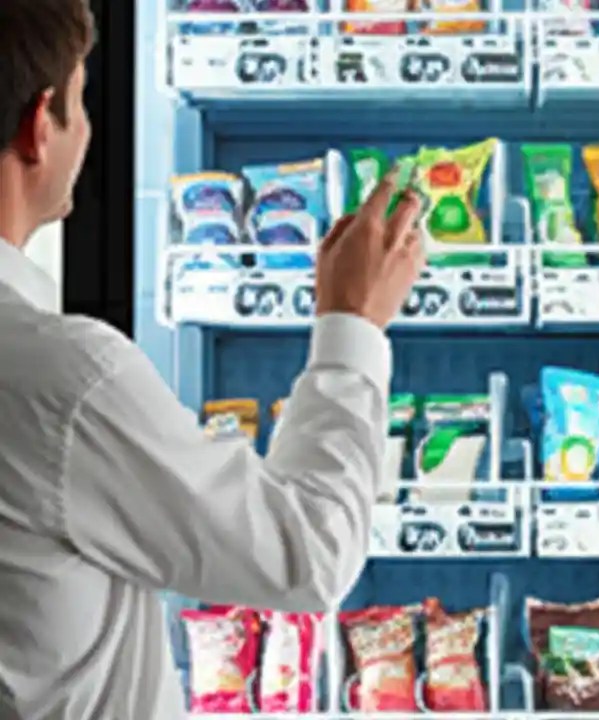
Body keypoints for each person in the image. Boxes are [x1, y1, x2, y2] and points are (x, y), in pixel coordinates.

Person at [0, 2, 424, 717]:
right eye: (83, 100)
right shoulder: (63, 380)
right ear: (41, 126)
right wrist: (353, 324)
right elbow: (307, 555)